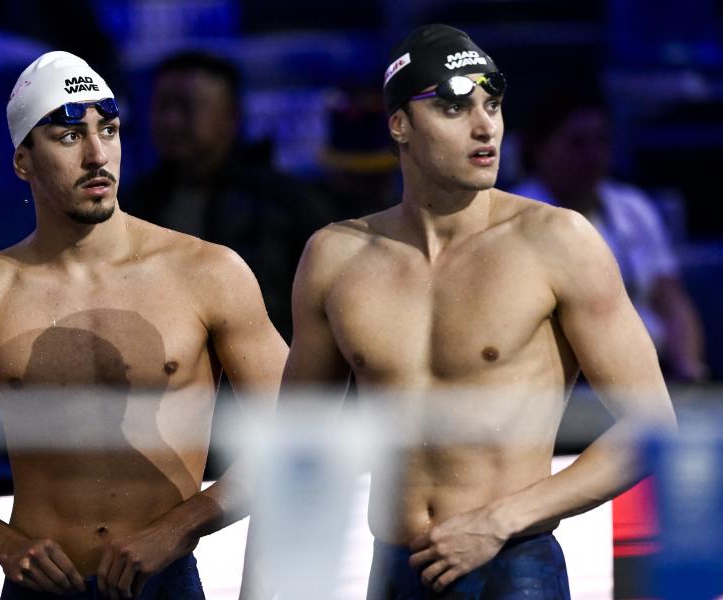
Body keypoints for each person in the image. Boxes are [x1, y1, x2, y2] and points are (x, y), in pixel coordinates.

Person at [263, 24, 677, 598]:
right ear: (400, 125)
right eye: (455, 108)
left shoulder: (556, 240)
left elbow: (654, 428)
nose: (485, 127)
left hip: (514, 561)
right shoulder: (336, 256)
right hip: (396, 565)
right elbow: (295, 446)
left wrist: (498, 521)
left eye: (493, 104)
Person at [0, 51, 286, 599]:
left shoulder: (207, 273)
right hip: (40, 584)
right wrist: (2, 544)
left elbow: (303, 435)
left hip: (164, 579)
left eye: (108, 130)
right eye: (68, 136)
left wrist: (182, 527)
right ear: (23, 161)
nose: (96, 155)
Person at [127, 50, 330, 338]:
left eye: (187, 107)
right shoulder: (132, 205)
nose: (171, 121)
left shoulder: (286, 203)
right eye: (162, 106)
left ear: (231, 117)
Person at [513, 92, 708, 382]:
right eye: (576, 144)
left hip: (654, 374)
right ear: (538, 147)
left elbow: (670, 300)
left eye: (601, 142)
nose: (592, 157)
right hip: (564, 385)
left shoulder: (633, 207)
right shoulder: (514, 217)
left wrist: (690, 369)